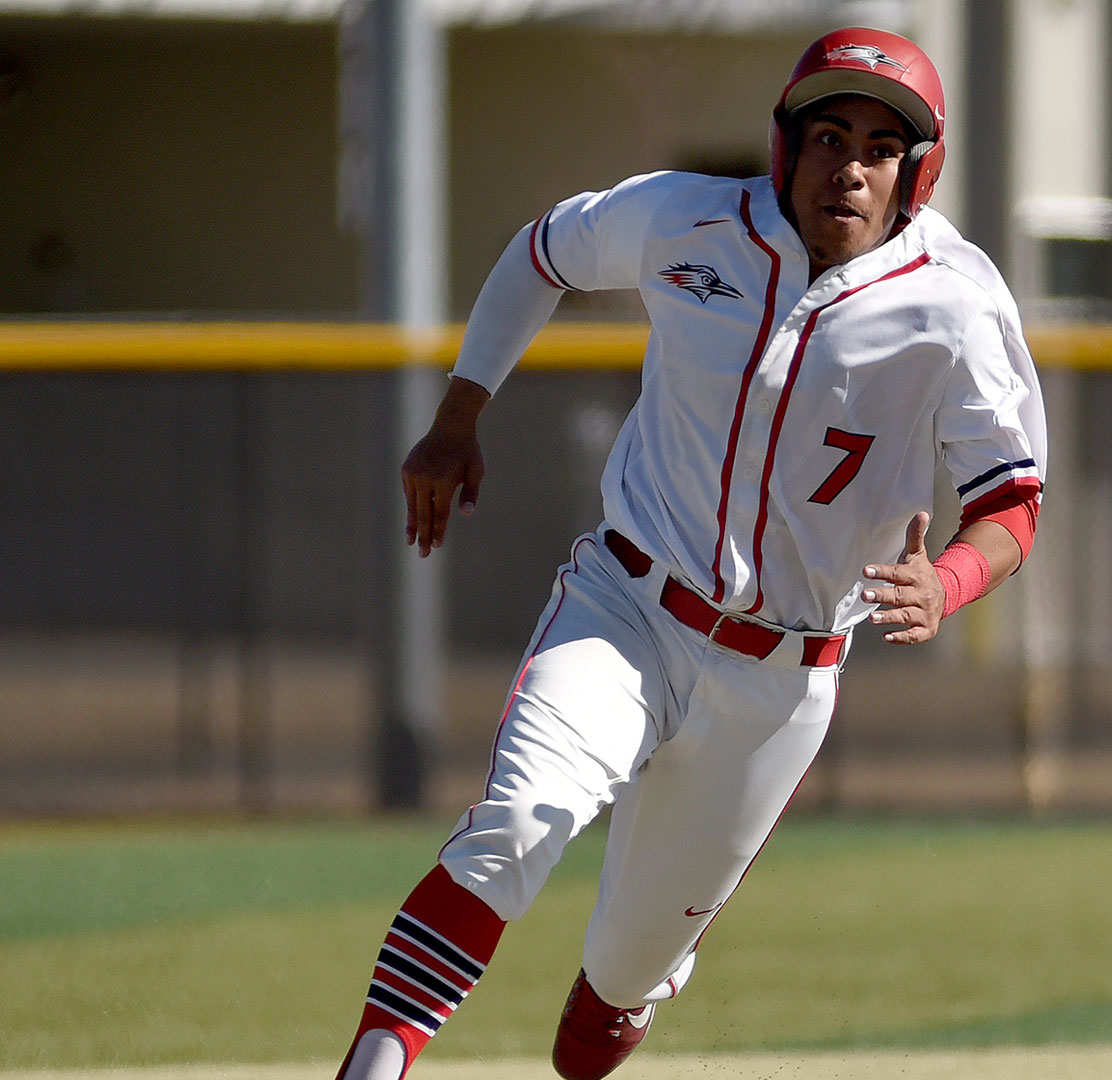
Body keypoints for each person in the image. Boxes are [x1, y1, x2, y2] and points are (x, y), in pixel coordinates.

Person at [333, 26, 1046, 1080]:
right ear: (784, 146)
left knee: (616, 986)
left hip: (781, 679)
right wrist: (459, 412)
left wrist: (950, 582)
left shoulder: (956, 299)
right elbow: (542, 253)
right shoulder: (689, 217)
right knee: (516, 827)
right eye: (828, 134)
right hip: (628, 606)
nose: (848, 164)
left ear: (915, 172)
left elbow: (1015, 503)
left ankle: (629, 995)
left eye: (880, 146)